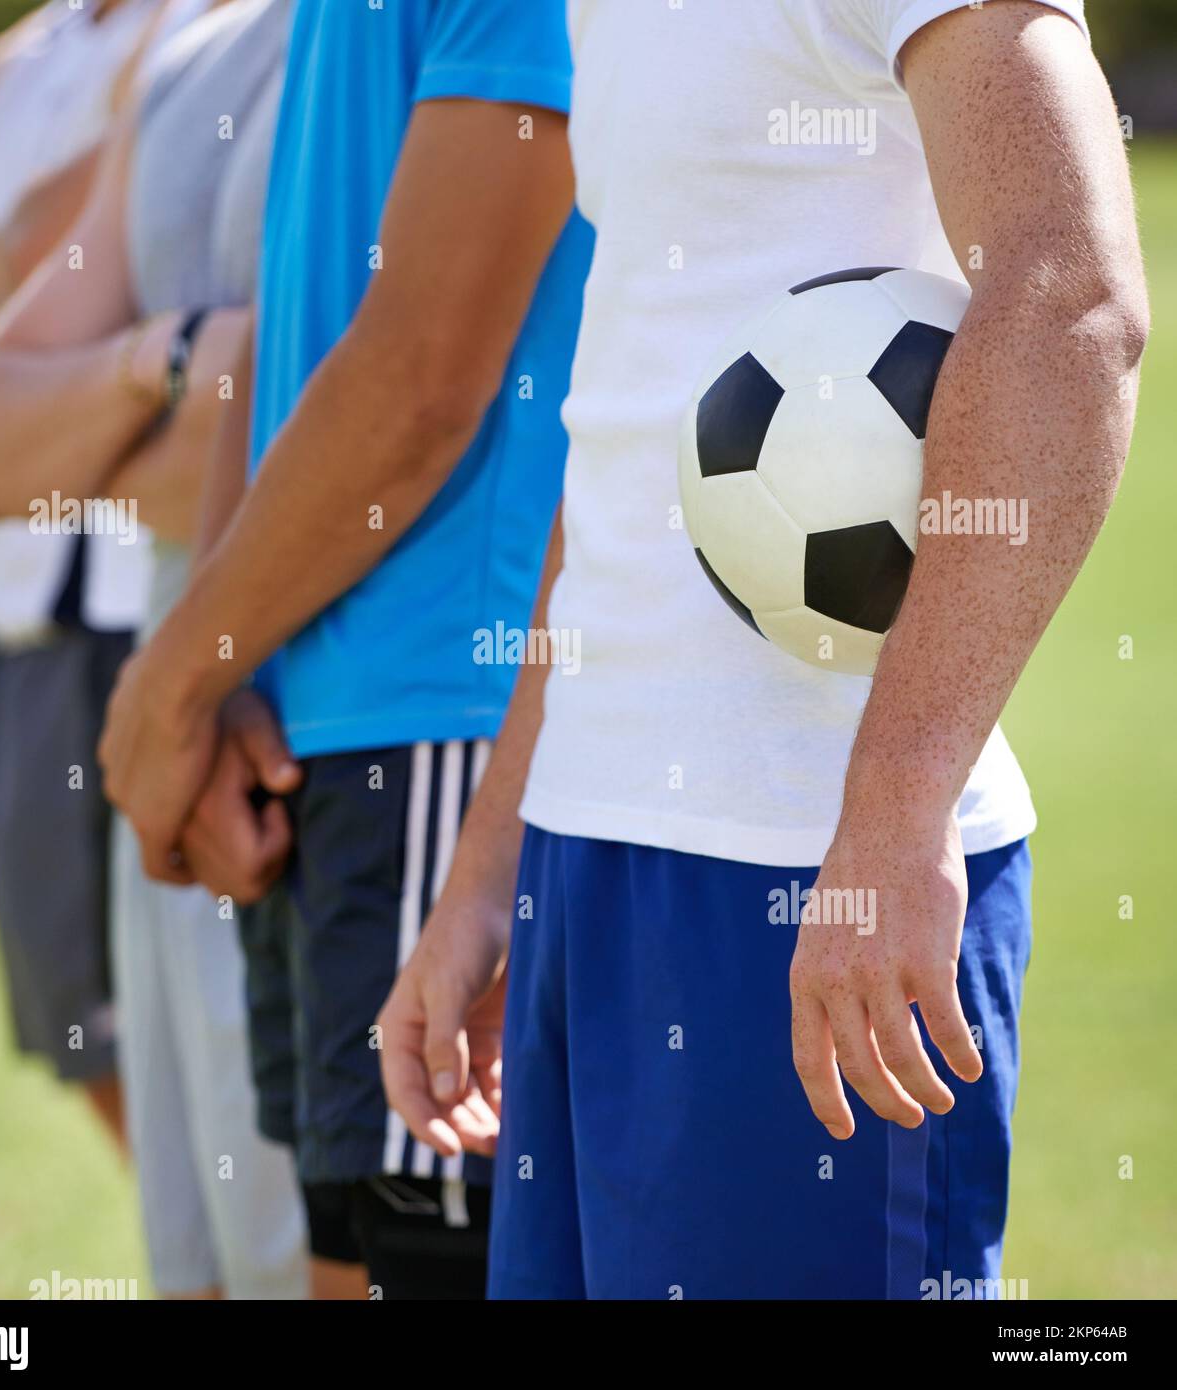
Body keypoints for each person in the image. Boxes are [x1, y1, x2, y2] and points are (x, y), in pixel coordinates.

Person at [378, 0, 1149, 1299]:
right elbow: (627, 428)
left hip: (808, 881)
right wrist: (485, 874)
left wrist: (897, 812)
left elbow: (1068, 295)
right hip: (587, 862)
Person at [96, 0, 593, 1297]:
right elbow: (290, 330)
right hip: (321, 718)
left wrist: (170, 685)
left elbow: (426, 377)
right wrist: (219, 672)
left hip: (449, 717)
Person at [0, 0, 306, 1300]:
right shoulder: (184, 52)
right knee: (196, 1261)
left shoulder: (392, 32)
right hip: (163, 736)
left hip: (300, 750)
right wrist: (167, 359)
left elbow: (333, 421)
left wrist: (105, 413)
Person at [0, 0, 210, 1147]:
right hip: (19, 637)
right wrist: (2, 262)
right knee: (99, 1063)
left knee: (220, 1088)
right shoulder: (14, 65)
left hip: (161, 619)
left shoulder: (212, 28)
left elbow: (46, 271)